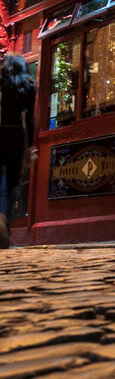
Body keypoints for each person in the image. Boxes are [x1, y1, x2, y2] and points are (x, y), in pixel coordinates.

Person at [0, 53, 36, 249]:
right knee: (14, 182)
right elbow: (29, 119)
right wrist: (30, 146)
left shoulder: (2, 83)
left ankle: (1, 217)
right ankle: (6, 223)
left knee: (1, 182)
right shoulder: (28, 85)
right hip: (16, 135)